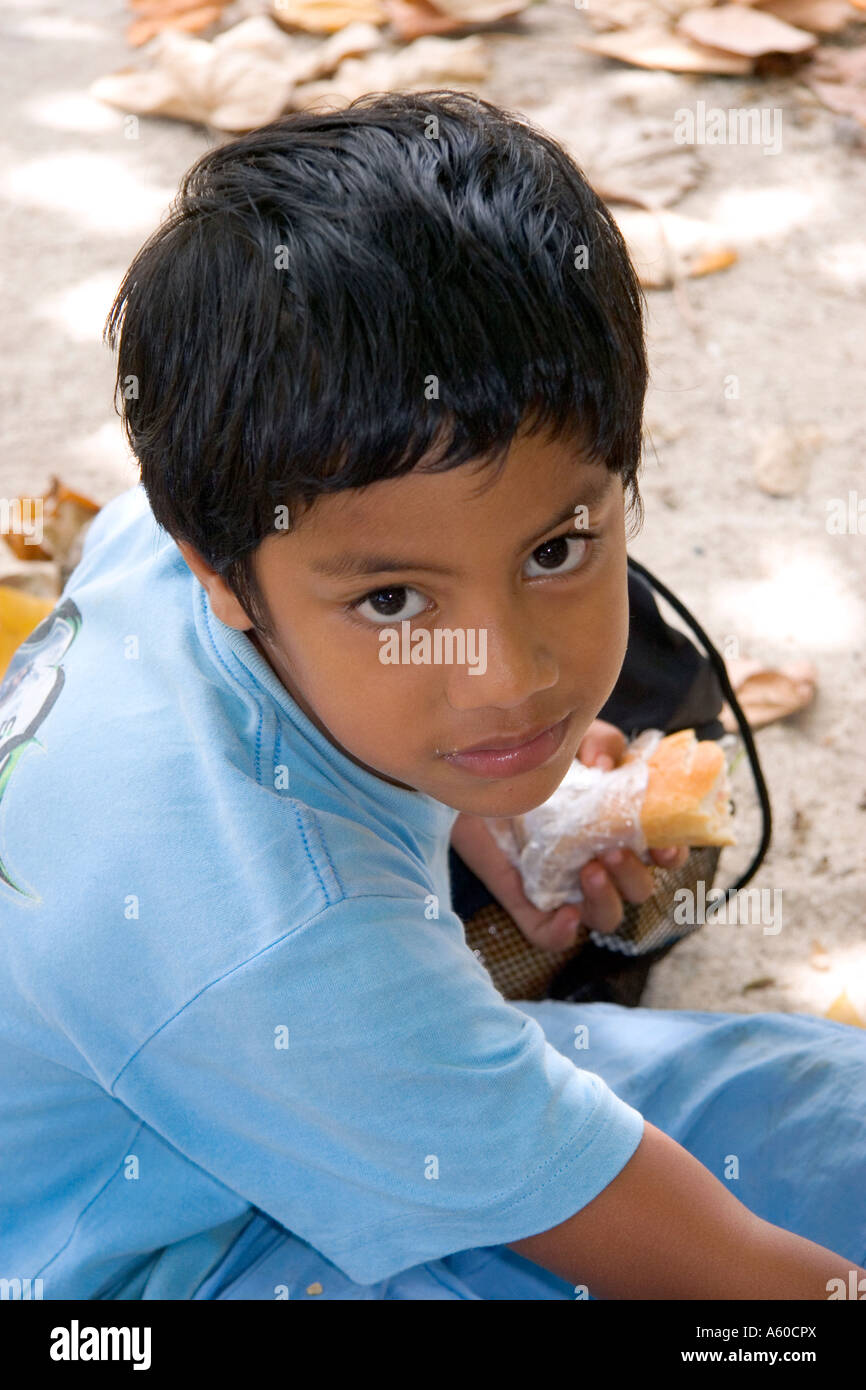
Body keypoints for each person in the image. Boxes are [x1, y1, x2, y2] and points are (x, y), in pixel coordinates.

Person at [0, 91, 863, 1302]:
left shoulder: (188, 521)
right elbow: (722, 1277)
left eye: (555, 552)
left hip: (274, 1090)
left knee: (813, 1112)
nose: (509, 675)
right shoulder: (296, 954)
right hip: (140, 1264)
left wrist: (478, 809)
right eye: (397, 602)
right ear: (224, 568)